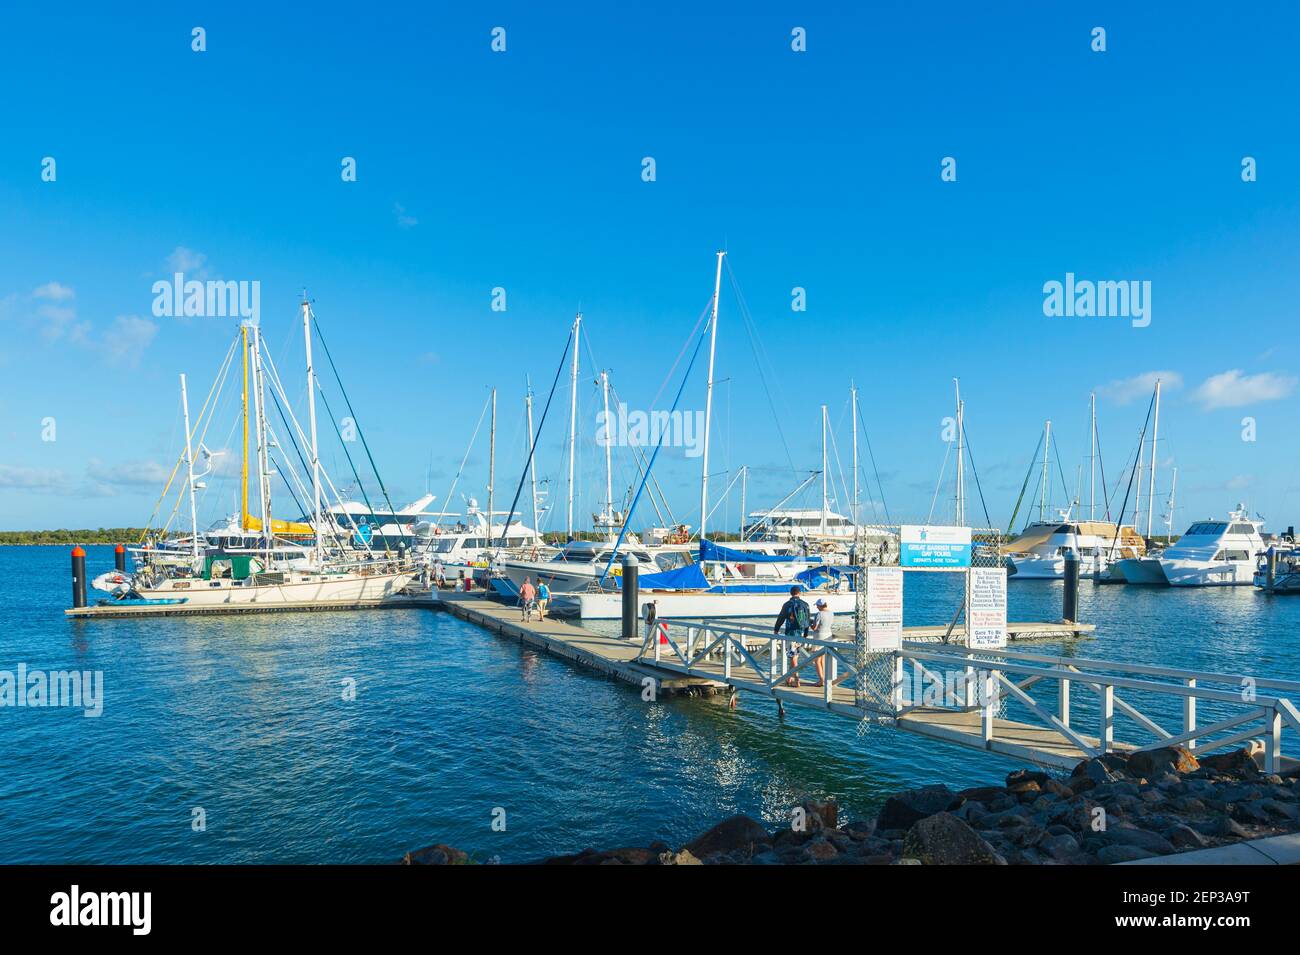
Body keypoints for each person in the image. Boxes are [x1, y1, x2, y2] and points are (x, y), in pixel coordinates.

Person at [773, 585, 811, 688]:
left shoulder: (787, 604)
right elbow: (807, 619)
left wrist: (776, 630)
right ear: (799, 593)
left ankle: (797, 680)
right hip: (800, 634)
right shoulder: (805, 604)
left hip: (790, 634)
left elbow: (781, 618)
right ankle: (789, 679)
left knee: (793, 658)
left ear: (791, 593)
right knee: (794, 657)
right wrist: (806, 634)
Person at [808, 597, 835, 687]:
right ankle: (824, 679)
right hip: (828, 636)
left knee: (817, 660)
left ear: (820, 605)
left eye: (817, 606)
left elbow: (814, 628)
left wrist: (809, 622)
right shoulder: (831, 613)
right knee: (822, 659)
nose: (817, 607)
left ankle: (821, 680)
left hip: (819, 636)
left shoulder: (819, 614)